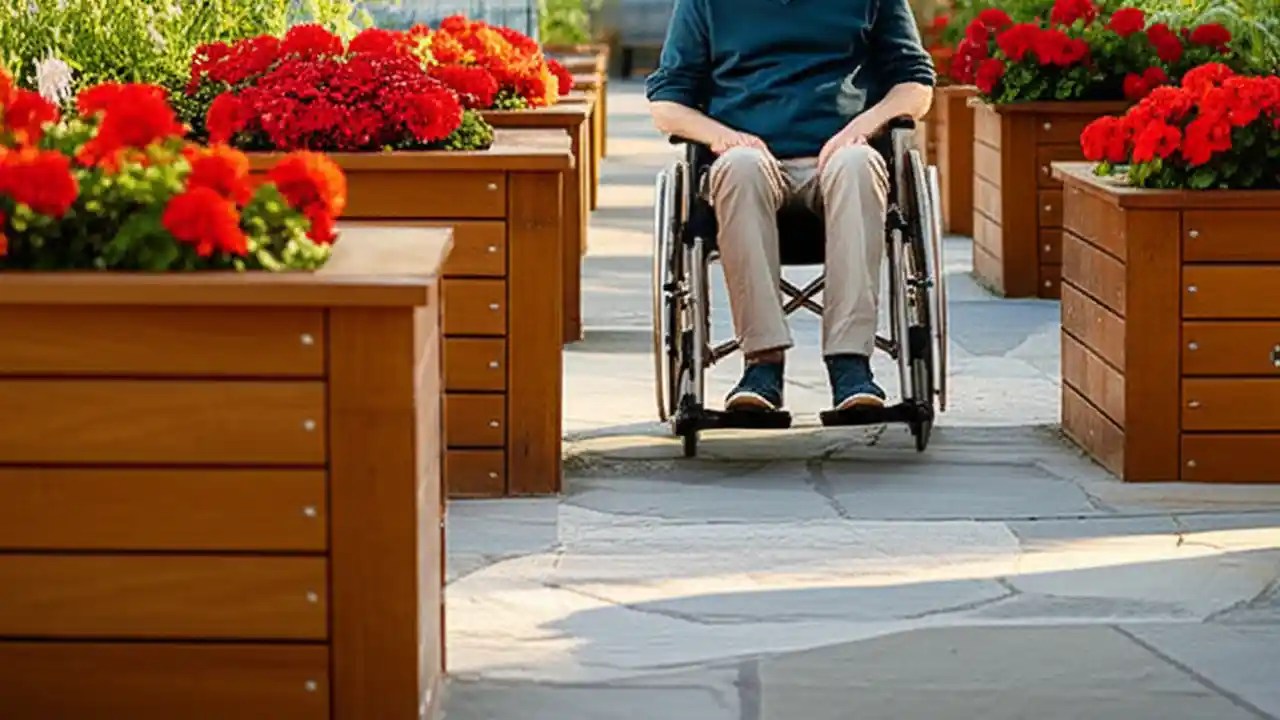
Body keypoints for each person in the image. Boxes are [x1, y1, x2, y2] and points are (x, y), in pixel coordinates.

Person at [645, 0, 936, 413]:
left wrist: (860, 129)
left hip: (840, 161)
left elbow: (915, 85)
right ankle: (761, 365)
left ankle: (850, 365)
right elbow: (667, 104)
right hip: (750, 164)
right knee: (740, 167)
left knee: (858, 163)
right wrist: (724, 137)